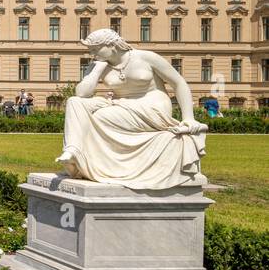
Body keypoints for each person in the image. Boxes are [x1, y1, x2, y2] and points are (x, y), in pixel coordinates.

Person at [56, 28, 207, 189]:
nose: (92, 54)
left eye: (95, 49)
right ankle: (73, 151)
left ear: (112, 45)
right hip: (121, 104)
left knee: (101, 117)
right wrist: (97, 70)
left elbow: (178, 83)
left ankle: (92, 160)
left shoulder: (145, 57)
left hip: (153, 107)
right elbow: (81, 93)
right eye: (90, 50)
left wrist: (188, 118)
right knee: (74, 102)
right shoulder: (98, 65)